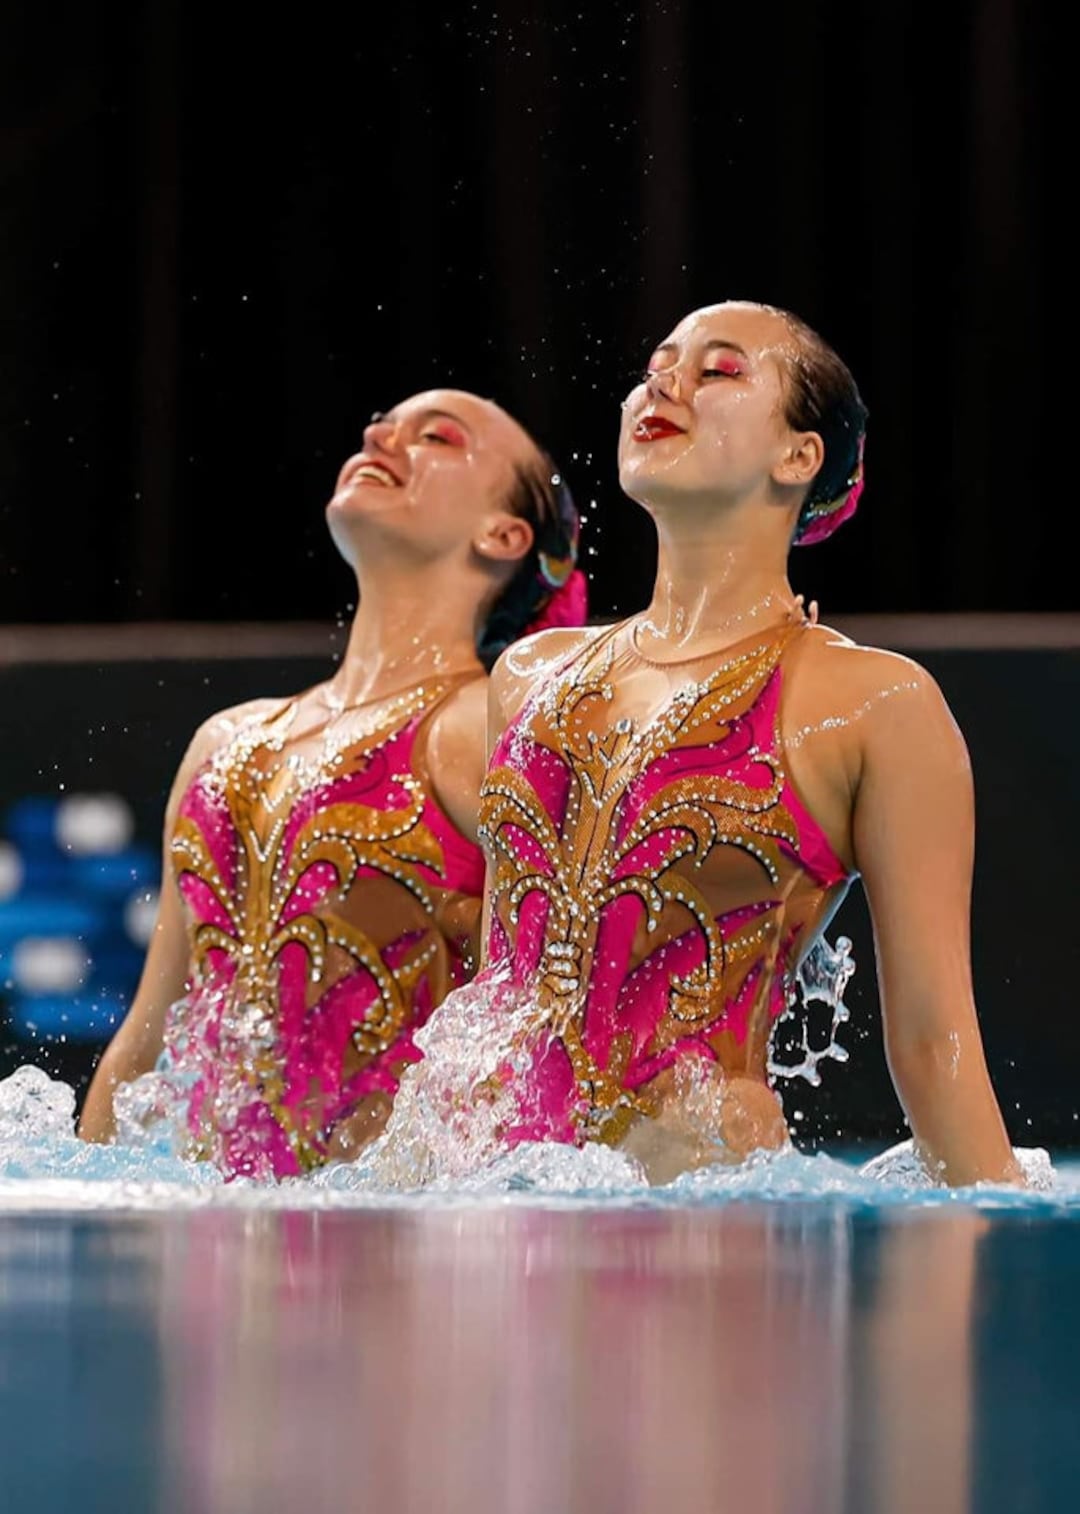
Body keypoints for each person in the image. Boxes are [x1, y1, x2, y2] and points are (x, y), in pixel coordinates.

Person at [456, 301, 1020, 1187]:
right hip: (491, 1205)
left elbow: (931, 1039)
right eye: (657, 364)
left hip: (703, 1230)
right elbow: (492, 995)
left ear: (800, 456)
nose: (665, 382)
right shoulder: (528, 680)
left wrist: (974, 1272)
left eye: (717, 371)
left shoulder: (873, 703)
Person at [78, 389, 586, 1176]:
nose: (381, 433)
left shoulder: (485, 730)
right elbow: (144, 1041)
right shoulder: (225, 741)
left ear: (505, 534)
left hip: (388, 1255)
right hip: (213, 1250)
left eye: (437, 437)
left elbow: (552, 1028)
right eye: (383, 422)